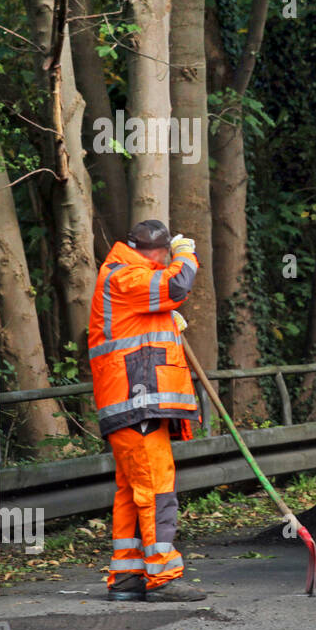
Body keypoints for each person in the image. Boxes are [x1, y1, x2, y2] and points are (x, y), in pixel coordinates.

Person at [89, 220, 206, 603]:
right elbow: (177, 285)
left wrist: (164, 319)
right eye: (166, 256)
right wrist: (186, 254)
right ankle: (163, 574)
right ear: (155, 253)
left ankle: (127, 575)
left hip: (130, 404)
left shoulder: (126, 276)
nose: (167, 263)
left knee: (132, 490)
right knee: (155, 489)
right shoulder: (126, 277)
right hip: (135, 402)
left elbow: (154, 307)